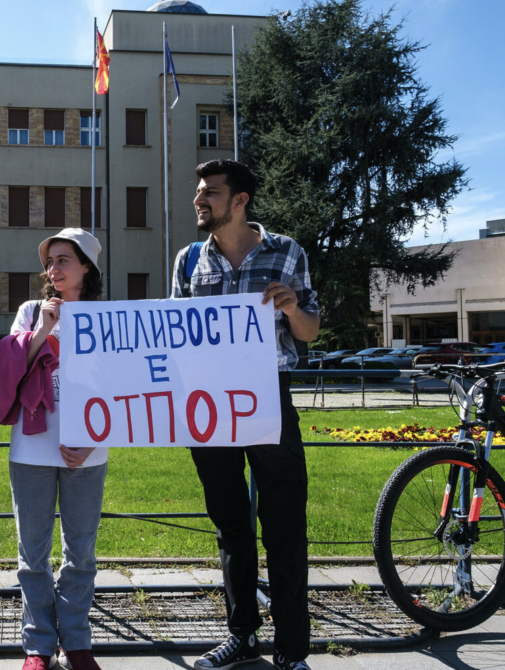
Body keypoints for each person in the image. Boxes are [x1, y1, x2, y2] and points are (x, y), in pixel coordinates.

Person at [170, 159, 319, 670]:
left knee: (284, 524)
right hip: (210, 403)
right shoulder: (189, 261)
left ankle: (292, 652)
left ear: (240, 201)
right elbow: (173, 335)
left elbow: (310, 331)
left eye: (210, 192)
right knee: (230, 524)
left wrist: (293, 309)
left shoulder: (286, 252)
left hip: (268, 398)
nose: (199, 200)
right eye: (199, 192)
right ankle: (242, 636)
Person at [7, 229, 108, 670]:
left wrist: (94, 441)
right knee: (32, 554)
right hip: (31, 447)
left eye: (64, 260)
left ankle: (77, 641)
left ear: (87, 266)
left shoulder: (108, 318)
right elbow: (9, 368)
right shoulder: (31, 311)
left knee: (81, 551)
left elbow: (121, 388)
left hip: (88, 451)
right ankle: (38, 646)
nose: (54, 269)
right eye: (50, 261)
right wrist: (43, 328)